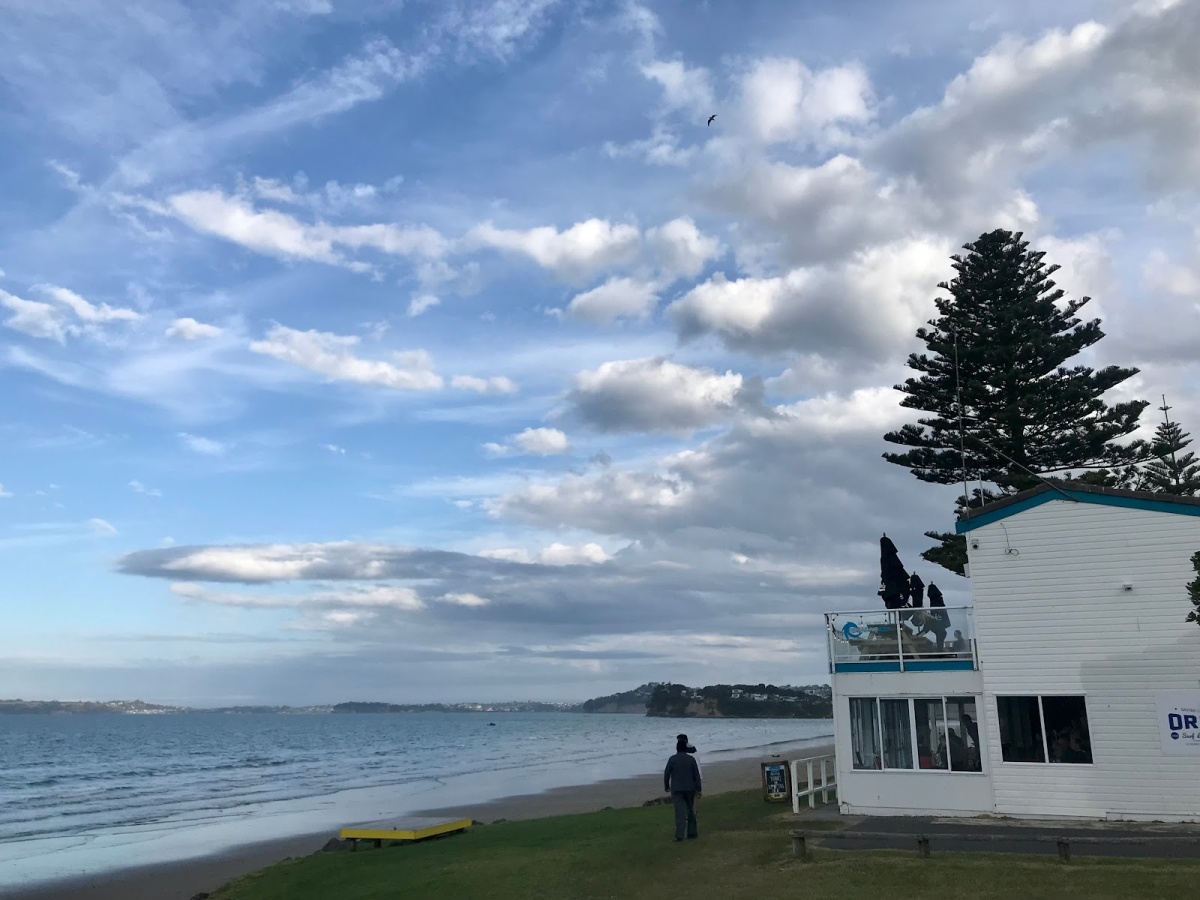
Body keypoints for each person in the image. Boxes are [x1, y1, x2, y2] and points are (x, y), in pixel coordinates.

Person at [664, 736, 702, 841]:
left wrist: (666, 786)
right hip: (690, 788)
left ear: (676, 748)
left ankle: (680, 835)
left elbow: (667, 773)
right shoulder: (691, 759)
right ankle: (692, 833)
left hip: (677, 789)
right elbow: (696, 775)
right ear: (685, 748)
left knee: (679, 812)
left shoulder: (672, 759)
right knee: (690, 810)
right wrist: (699, 788)